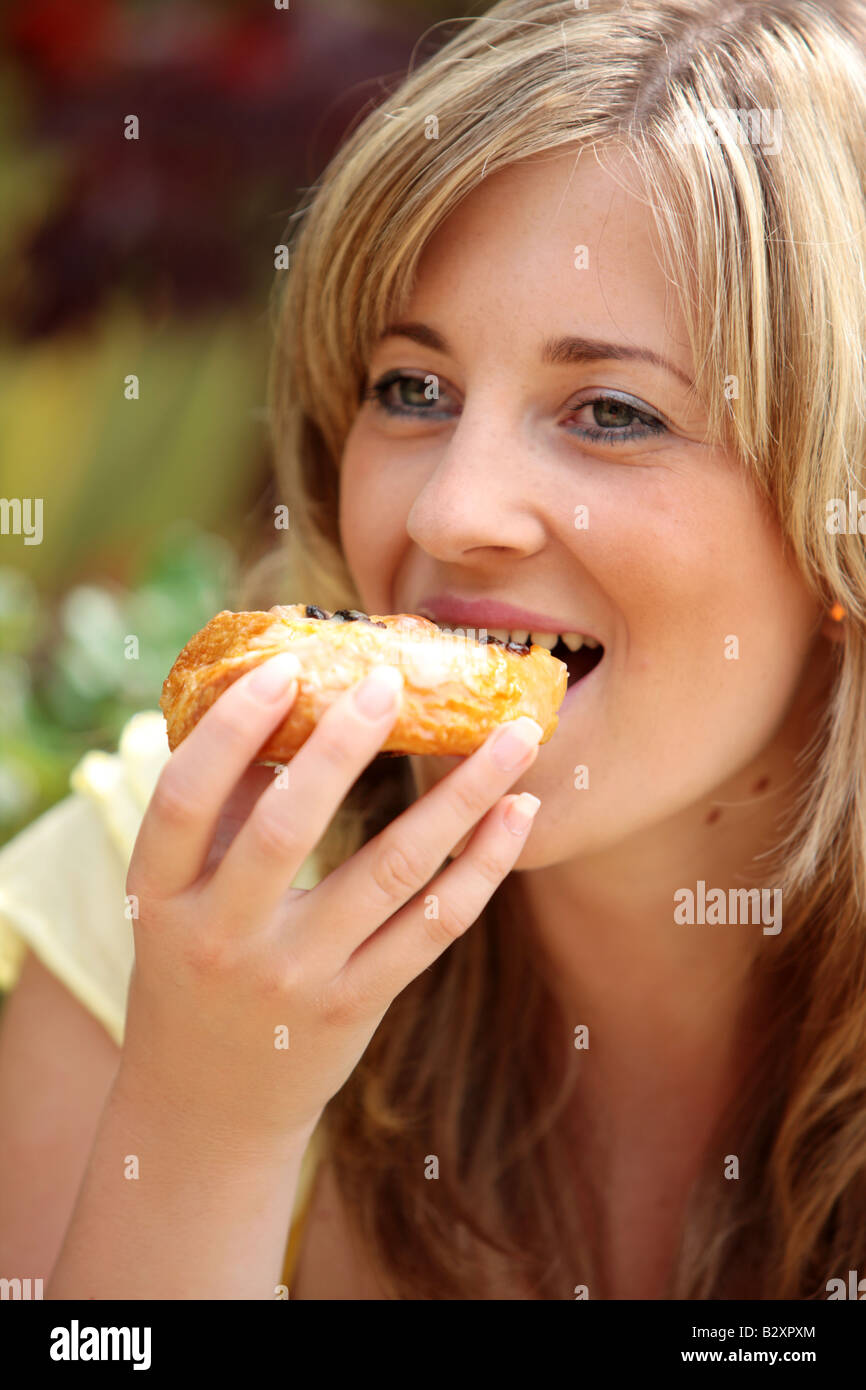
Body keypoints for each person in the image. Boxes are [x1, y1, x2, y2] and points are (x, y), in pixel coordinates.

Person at [2, 0, 866, 1299]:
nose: (451, 512)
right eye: (412, 389)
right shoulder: (167, 892)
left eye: (612, 412)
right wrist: (206, 1119)